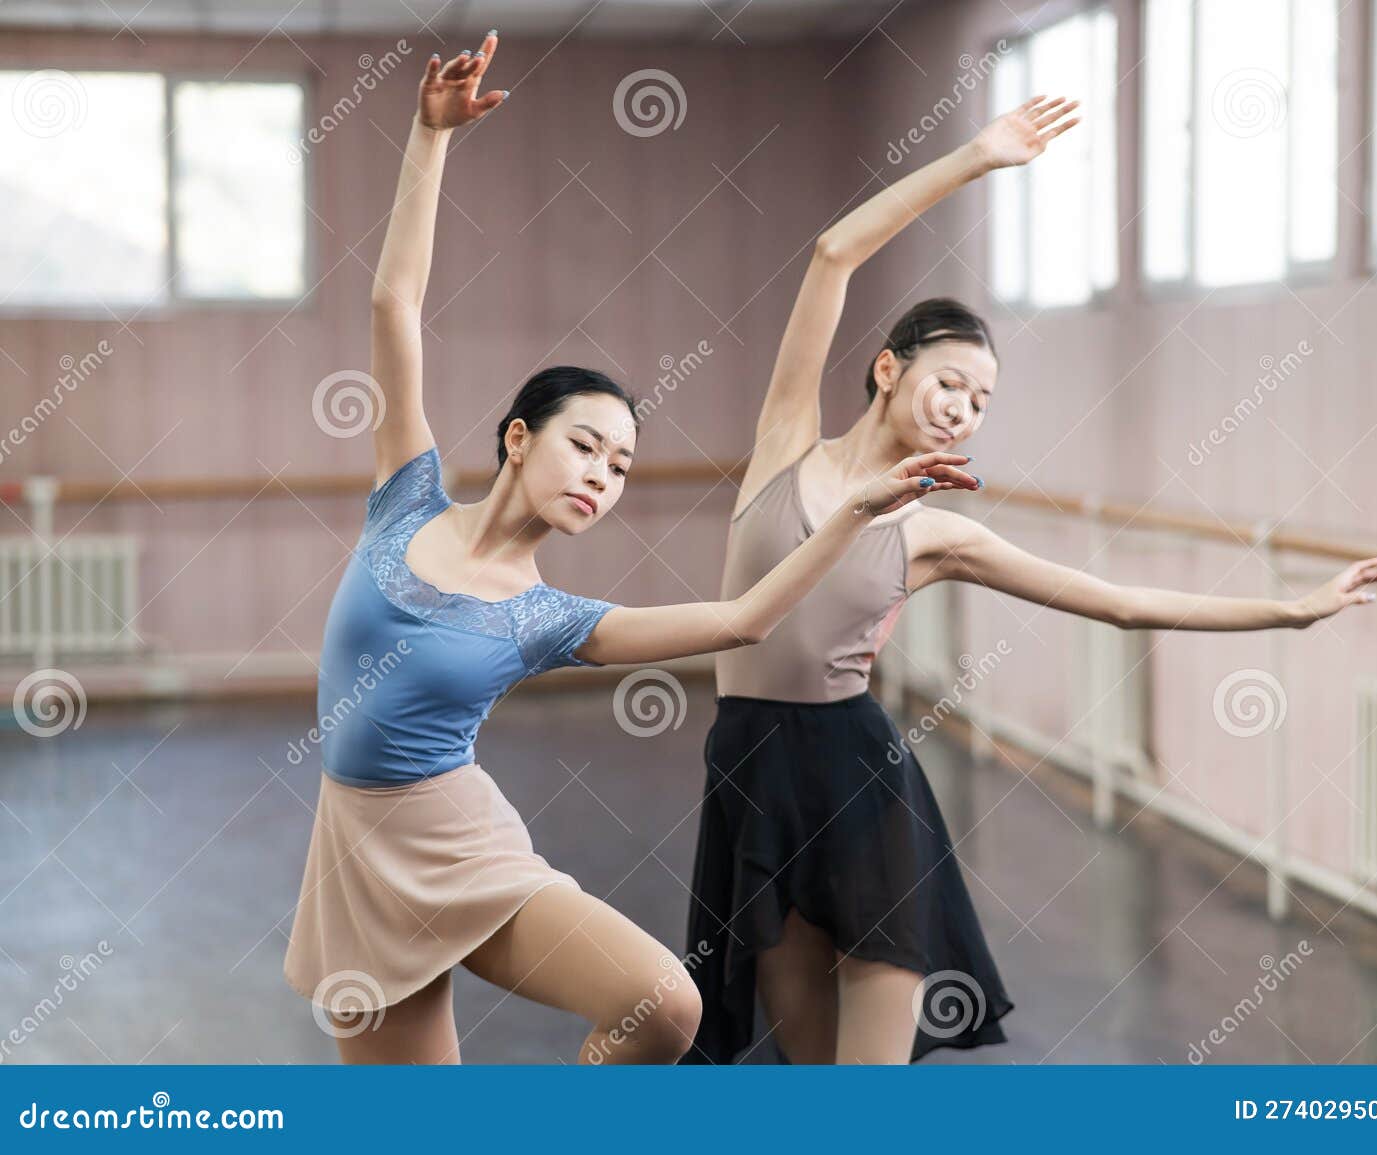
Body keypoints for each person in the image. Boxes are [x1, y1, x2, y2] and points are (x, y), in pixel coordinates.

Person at [282, 32, 979, 1066]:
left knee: (663, 1005)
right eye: (585, 447)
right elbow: (394, 306)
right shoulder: (406, 500)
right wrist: (429, 140)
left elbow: (741, 621)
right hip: (354, 850)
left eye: (618, 468)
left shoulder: (549, 620)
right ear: (520, 438)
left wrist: (852, 511)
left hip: (462, 843)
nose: (600, 477)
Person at [686, 97, 1377, 1064]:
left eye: (982, 401)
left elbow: (1117, 600)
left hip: (859, 781)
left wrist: (1290, 610)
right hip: (751, 772)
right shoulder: (782, 448)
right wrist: (975, 158)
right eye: (949, 383)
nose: (963, 410)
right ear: (887, 370)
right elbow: (830, 256)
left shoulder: (932, 534)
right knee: (801, 1071)